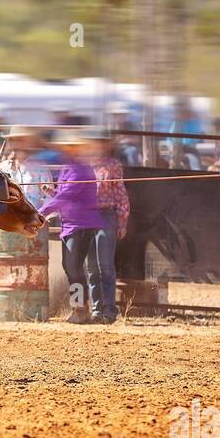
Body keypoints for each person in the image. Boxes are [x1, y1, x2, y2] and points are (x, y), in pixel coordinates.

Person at [39, 130, 107, 324]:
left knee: (73, 267)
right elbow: (65, 195)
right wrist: (51, 192)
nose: (64, 150)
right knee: (70, 266)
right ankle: (79, 308)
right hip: (71, 225)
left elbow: (66, 196)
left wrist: (42, 212)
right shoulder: (70, 168)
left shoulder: (80, 170)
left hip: (81, 225)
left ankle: (80, 309)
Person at [87, 128, 129, 324]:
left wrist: (122, 220)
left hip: (106, 215)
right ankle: (97, 308)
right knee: (92, 266)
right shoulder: (84, 166)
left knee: (105, 265)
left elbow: (120, 194)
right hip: (87, 217)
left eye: (101, 142)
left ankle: (109, 309)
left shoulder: (113, 166)